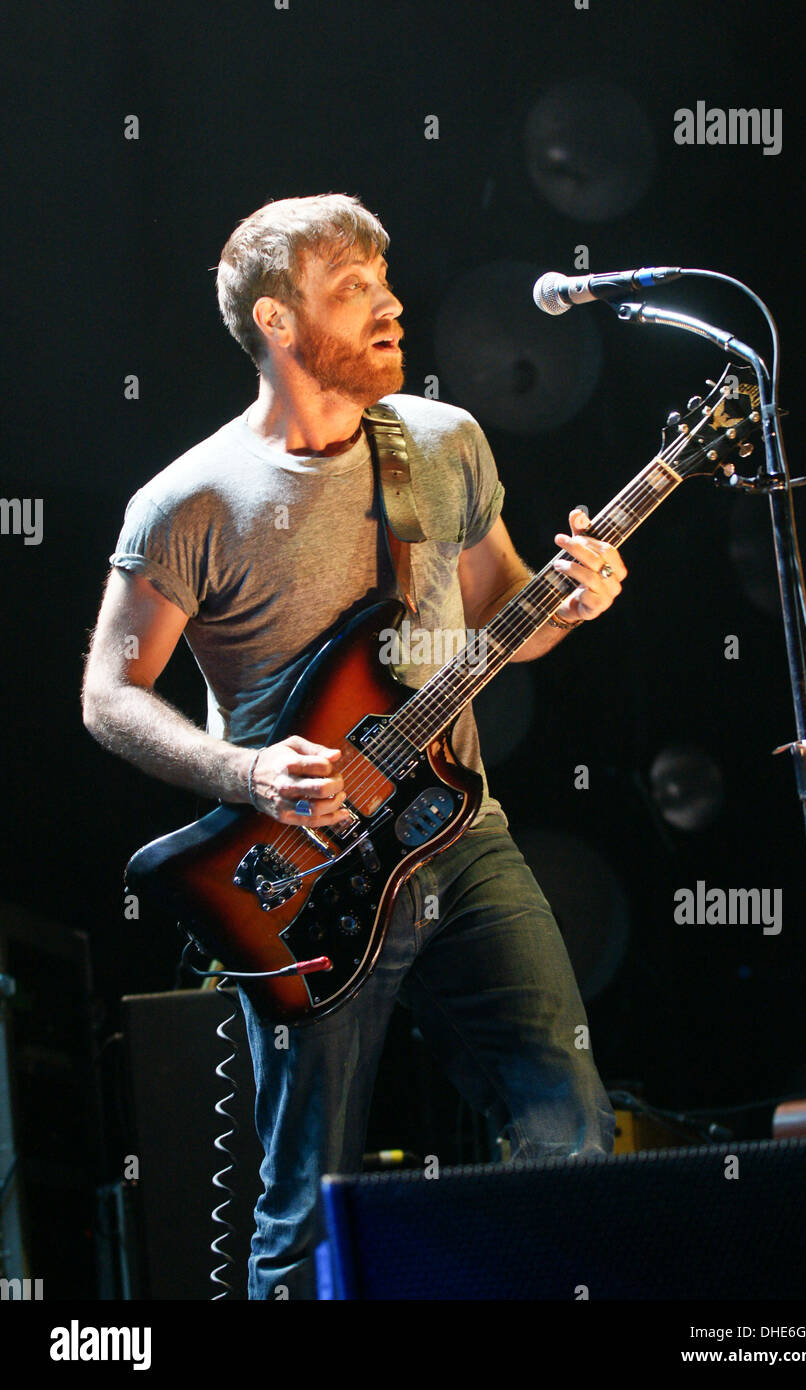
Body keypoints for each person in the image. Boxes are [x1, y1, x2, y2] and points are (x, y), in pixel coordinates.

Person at [82, 194, 628, 1300]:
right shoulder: (190, 498)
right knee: (302, 1208)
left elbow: (494, 613)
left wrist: (566, 604)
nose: (389, 307)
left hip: (460, 835)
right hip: (306, 876)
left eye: (385, 281)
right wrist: (245, 772)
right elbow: (108, 693)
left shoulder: (442, 442)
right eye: (353, 292)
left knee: (569, 1135)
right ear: (279, 323)